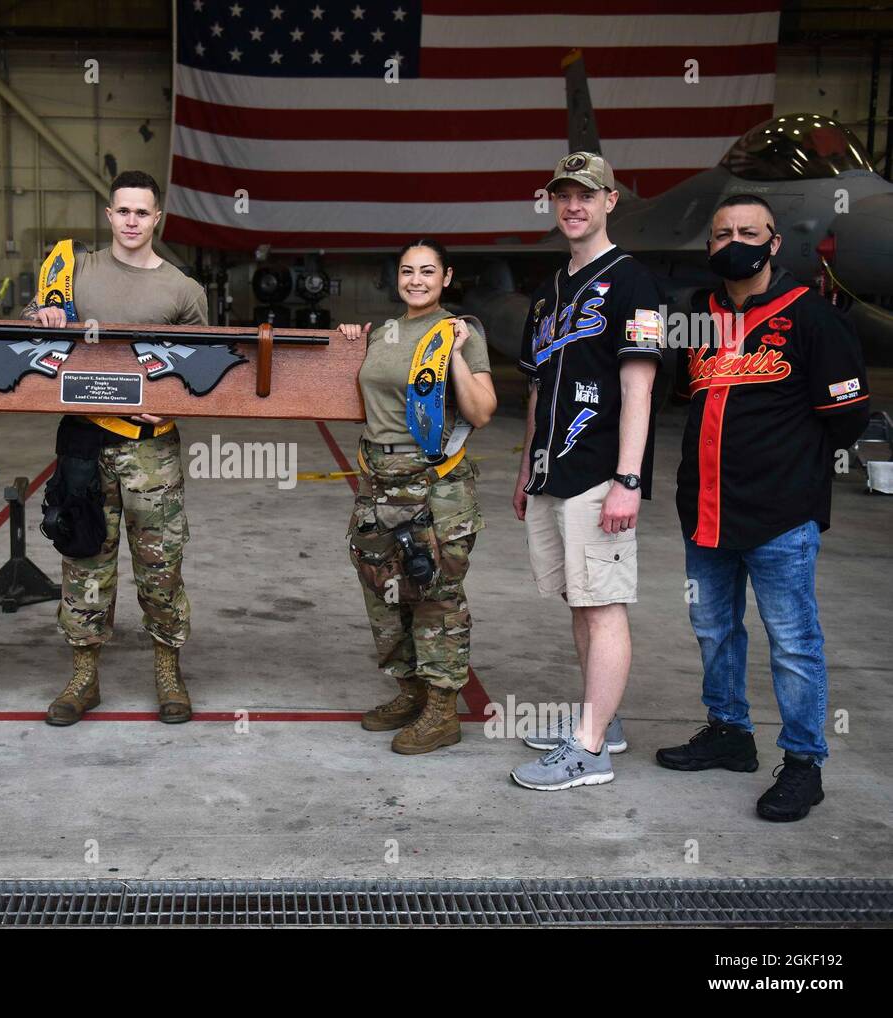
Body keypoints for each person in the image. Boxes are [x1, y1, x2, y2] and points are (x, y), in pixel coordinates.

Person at [657, 194, 869, 822]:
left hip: (781, 516)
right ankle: (729, 733)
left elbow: (846, 419)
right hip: (705, 511)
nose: (734, 242)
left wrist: (788, 469)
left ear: (775, 243)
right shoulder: (697, 315)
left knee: (793, 642)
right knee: (713, 629)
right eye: (722, 233)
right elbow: (682, 398)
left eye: (749, 232)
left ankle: (804, 763)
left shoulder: (813, 317)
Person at [24, 170, 206, 725]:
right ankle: (84, 675)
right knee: (83, 558)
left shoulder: (182, 289)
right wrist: (42, 313)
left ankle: (168, 669)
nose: (131, 221)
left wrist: (175, 405)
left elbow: (203, 366)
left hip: (151, 449)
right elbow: (29, 341)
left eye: (141, 212)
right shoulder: (71, 273)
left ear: (157, 219)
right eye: (122, 211)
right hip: (83, 440)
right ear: (109, 215)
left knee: (160, 565)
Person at [510, 152, 663, 790]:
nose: (573, 205)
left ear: (610, 202)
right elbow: (539, 389)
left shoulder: (633, 281)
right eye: (563, 195)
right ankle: (604, 720)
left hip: (600, 473)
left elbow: (640, 388)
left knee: (604, 606)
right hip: (554, 472)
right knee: (580, 598)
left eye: (586, 195)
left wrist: (627, 479)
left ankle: (590, 749)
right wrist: (525, 467)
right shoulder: (551, 290)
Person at [338, 240, 496, 754]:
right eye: (408, 271)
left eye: (428, 271)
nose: (417, 280)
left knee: (434, 596)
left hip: (434, 485)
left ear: (446, 277)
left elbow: (482, 410)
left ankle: (442, 710)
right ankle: (409, 691)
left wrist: (451, 356)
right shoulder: (383, 332)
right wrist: (346, 343)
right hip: (377, 482)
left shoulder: (459, 332)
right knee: (383, 594)